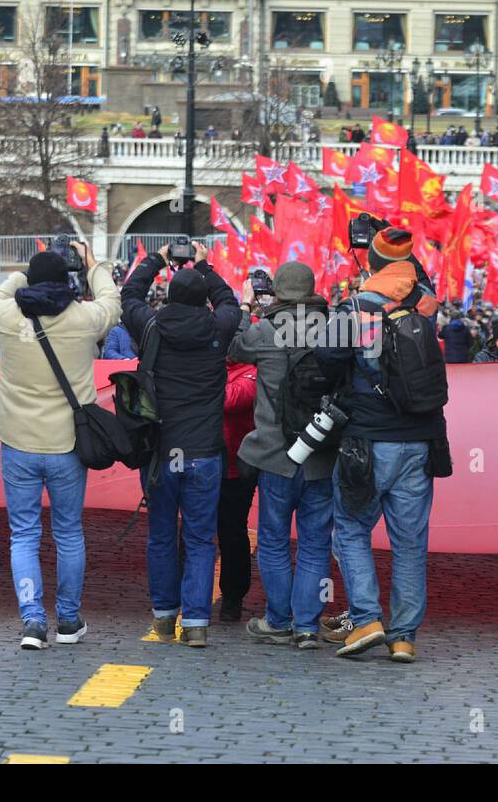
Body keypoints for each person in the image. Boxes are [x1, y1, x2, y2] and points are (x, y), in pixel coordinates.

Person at [315, 226, 448, 664]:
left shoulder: (356, 308)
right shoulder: (424, 303)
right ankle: (404, 637)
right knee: (409, 542)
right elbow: (422, 277)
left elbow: (325, 359)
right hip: (420, 441)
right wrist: (402, 252)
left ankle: (368, 619)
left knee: (351, 528)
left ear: (369, 263)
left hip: (368, 442)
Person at [0, 242, 121, 650]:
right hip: (66, 446)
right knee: (68, 533)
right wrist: (94, 264)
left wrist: (26, 275)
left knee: (23, 534)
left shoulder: (6, 317)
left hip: (18, 442)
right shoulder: (83, 319)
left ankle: (31, 621)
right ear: (67, 281)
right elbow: (112, 301)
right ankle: (68, 618)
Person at [120, 240, 242, 649]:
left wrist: (157, 258)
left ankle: (162, 619)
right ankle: (195, 623)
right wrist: (206, 267)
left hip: (161, 451)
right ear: (204, 297)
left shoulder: (151, 324)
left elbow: (130, 293)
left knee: (160, 536)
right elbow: (231, 302)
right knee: (201, 538)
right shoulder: (219, 327)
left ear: (169, 293)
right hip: (204, 451)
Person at [229, 262, 337, 648]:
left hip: (276, 454)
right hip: (322, 452)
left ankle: (278, 620)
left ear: (276, 291)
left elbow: (234, 348)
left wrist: (246, 309)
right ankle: (307, 625)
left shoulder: (266, 329)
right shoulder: (332, 327)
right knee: (314, 542)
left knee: (274, 539)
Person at [215, 354, 258, 622]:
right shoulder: (212, 365)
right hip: (206, 460)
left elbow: (230, 400)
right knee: (193, 532)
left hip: (236, 465)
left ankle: (233, 597)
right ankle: (185, 594)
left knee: (233, 533)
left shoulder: (252, 371)